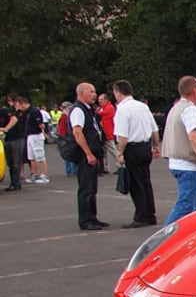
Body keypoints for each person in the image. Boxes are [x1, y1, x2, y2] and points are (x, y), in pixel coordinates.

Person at [161, 75, 196, 225]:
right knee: (185, 206)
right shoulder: (190, 110)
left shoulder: (176, 108)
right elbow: (194, 136)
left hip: (177, 162)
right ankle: (165, 238)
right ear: (195, 90)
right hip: (188, 165)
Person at [113, 80, 161, 228]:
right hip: (145, 146)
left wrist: (119, 152)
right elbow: (154, 129)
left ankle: (141, 216)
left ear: (118, 92)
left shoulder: (122, 109)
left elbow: (123, 136)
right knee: (146, 181)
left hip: (132, 148)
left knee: (136, 183)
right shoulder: (143, 107)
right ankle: (150, 213)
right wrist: (155, 145)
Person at [67, 83, 109, 229]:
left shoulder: (88, 110)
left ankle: (92, 216)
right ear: (81, 93)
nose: (94, 95)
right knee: (86, 188)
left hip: (93, 153)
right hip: (85, 155)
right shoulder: (78, 110)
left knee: (92, 188)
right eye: (91, 92)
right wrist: (88, 153)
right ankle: (85, 220)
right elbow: (77, 132)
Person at [2, 95, 26, 191]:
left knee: (16, 161)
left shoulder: (18, 112)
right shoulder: (8, 111)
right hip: (8, 139)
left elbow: (14, 120)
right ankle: (14, 182)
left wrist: (6, 129)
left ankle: (16, 183)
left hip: (17, 138)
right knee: (10, 162)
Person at [96, 92, 118, 174]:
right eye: (99, 100)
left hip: (108, 133)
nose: (99, 101)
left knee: (113, 150)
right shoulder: (103, 108)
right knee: (104, 151)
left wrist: (96, 111)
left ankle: (120, 165)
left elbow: (103, 114)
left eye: (101, 100)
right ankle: (105, 167)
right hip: (103, 133)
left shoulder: (109, 107)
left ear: (106, 100)